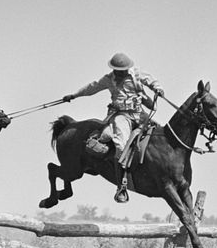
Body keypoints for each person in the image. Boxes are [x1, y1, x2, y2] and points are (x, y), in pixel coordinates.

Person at [63, 53, 164, 203]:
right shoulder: (108, 79)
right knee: (120, 145)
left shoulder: (136, 74)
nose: (120, 72)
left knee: (160, 136)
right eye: (117, 70)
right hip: (121, 116)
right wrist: (74, 95)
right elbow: (91, 88)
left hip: (139, 113)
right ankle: (121, 187)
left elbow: (151, 81)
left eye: (122, 70)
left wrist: (158, 89)